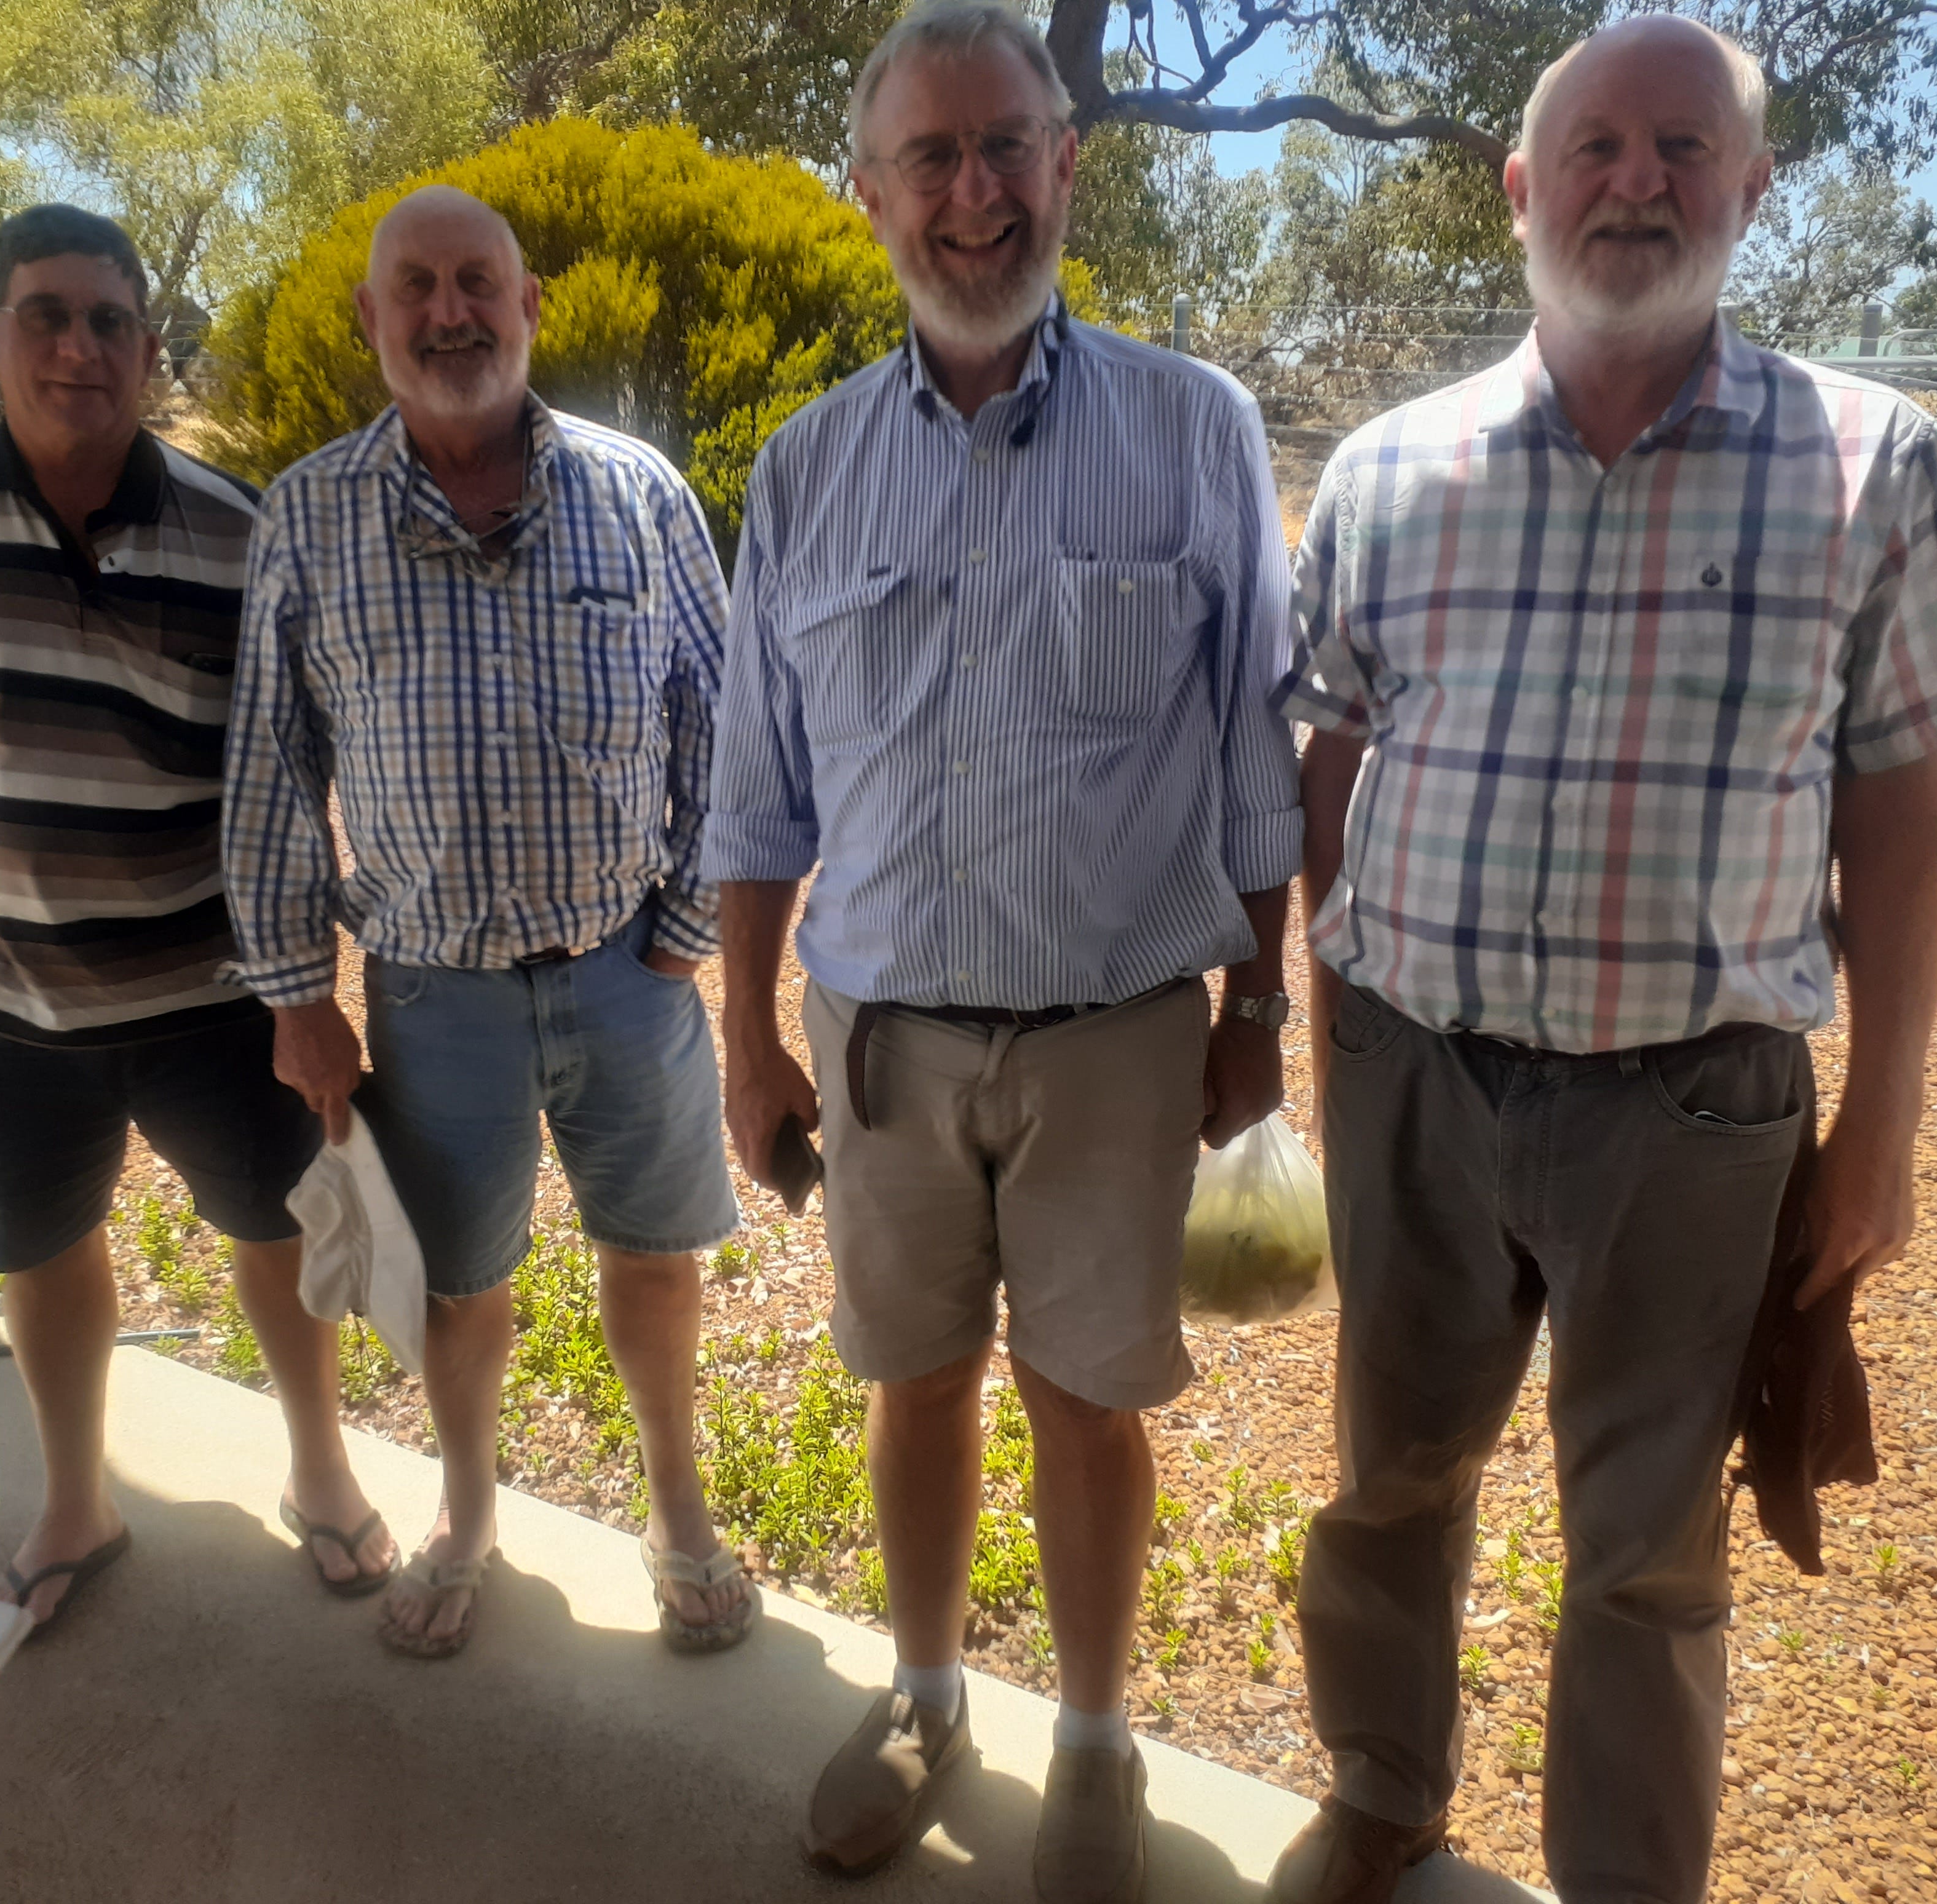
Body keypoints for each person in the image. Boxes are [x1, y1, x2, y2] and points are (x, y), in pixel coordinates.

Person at [1267, 20, 1937, 1904]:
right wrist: (1330, 1028)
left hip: (1698, 1108)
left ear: (1751, 187)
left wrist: (1880, 1127)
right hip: (1418, 1080)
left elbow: (1903, 809)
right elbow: (1332, 764)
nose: (1638, 180)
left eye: (1684, 147)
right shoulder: (1388, 469)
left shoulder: (1879, 462)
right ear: (1523, 190)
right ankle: (1386, 1788)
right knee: (1391, 1484)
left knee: (1646, 1548)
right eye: (1596, 146)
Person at [705, 6, 1301, 1896]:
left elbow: (1256, 745)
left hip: (1122, 1032)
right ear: (868, 193)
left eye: (1007, 147)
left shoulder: (1193, 427)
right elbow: (755, 788)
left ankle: (1101, 1736)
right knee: (922, 1384)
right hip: (882, 1036)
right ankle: (925, 1691)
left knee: (1090, 1395)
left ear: (1070, 164)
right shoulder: (803, 471)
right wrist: (744, 1031)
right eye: (931, 159)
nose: (973, 195)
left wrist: (1264, 1002)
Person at [0, 204, 397, 1632]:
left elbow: (287, 769)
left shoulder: (239, 534)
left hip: (211, 992)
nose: (80, 348)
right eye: (48, 316)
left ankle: (320, 1470)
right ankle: (78, 1499)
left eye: (110, 322)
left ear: (147, 347)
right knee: (40, 1248)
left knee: (275, 1236)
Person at [221, 184, 758, 1661]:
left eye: (479, 284)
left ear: (528, 307)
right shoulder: (310, 515)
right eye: (419, 287)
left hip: (627, 978)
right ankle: (467, 1512)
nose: (451, 312)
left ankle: (677, 1508)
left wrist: (691, 925)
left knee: (654, 1258)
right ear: (372, 318)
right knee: (463, 1287)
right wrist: (295, 992)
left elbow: (726, 719)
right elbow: (272, 767)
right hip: (429, 992)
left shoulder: (639, 494)